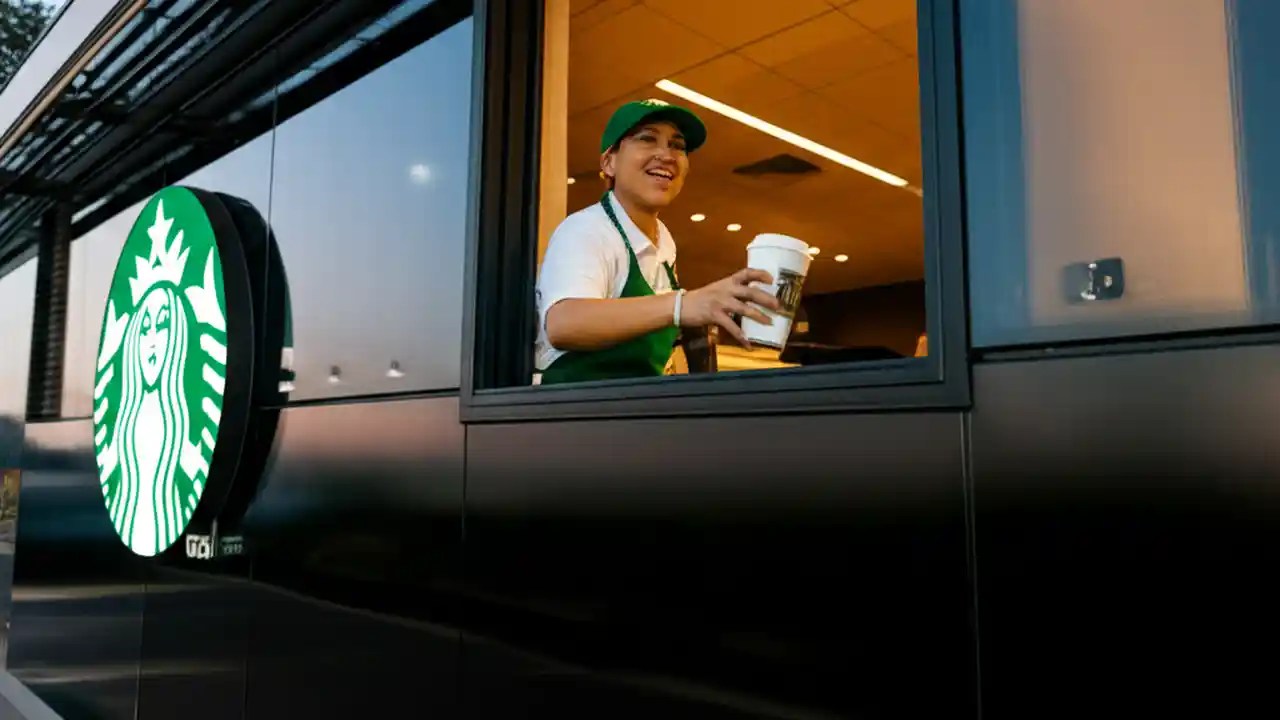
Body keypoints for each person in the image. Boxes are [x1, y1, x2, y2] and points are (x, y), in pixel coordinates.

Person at [535, 98, 780, 385]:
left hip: (636, 414)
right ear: (609, 162)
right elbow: (564, 323)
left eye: (677, 145)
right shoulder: (585, 229)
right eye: (647, 139)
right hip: (577, 418)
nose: (666, 154)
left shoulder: (664, 240)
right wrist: (680, 305)